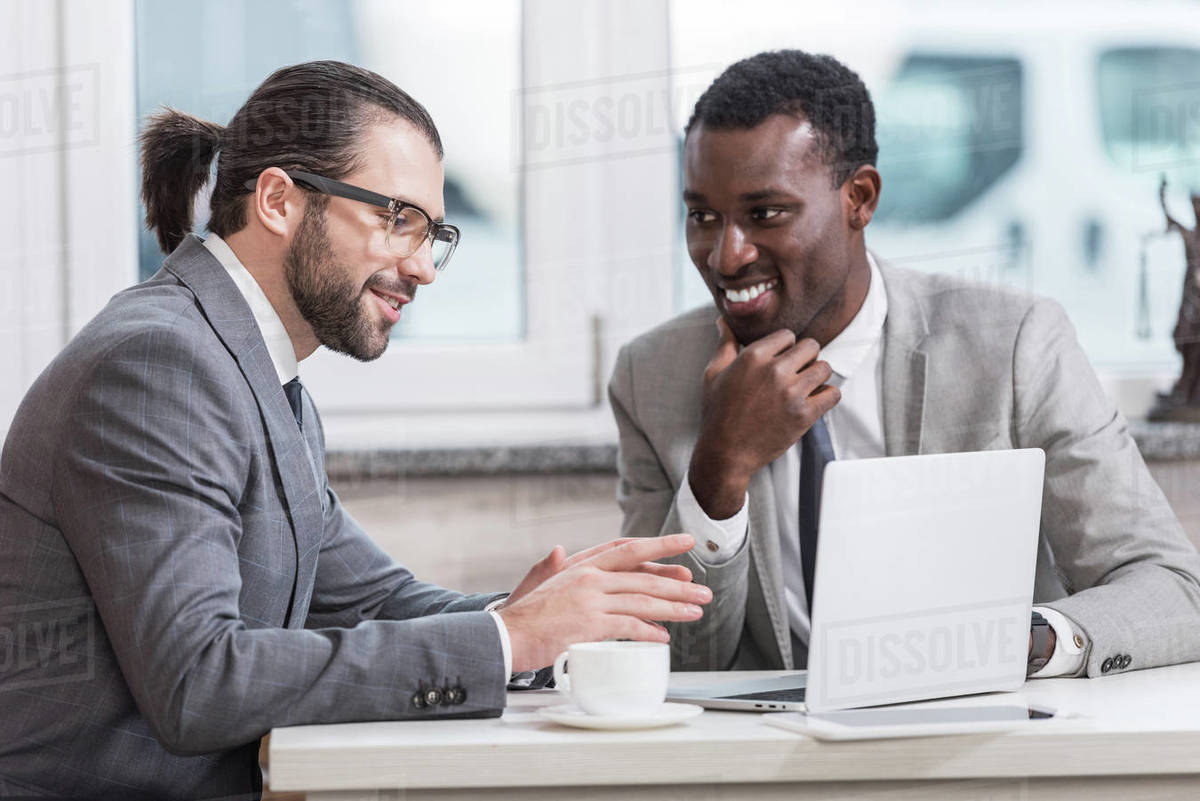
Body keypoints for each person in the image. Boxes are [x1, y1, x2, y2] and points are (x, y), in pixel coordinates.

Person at [0, 61, 710, 800]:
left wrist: (526, 617)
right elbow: (200, 680)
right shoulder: (161, 365)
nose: (424, 267)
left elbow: (373, 598)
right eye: (397, 218)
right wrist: (509, 639)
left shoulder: (252, 371)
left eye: (433, 233)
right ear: (278, 199)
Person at [609, 50, 1200, 678]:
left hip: (969, 751)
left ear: (859, 198)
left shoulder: (1014, 344)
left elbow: (1173, 590)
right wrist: (719, 468)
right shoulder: (653, 376)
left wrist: (1024, 641)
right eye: (703, 216)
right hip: (763, 763)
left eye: (766, 214)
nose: (727, 256)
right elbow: (662, 658)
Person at [1150, 175, 1200, 419]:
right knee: (1184, 343)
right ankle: (1184, 390)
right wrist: (1162, 196)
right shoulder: (1189, 235)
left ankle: (1190, 392)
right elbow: (1169, 218)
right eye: (1194, 205)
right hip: (1190, 305)